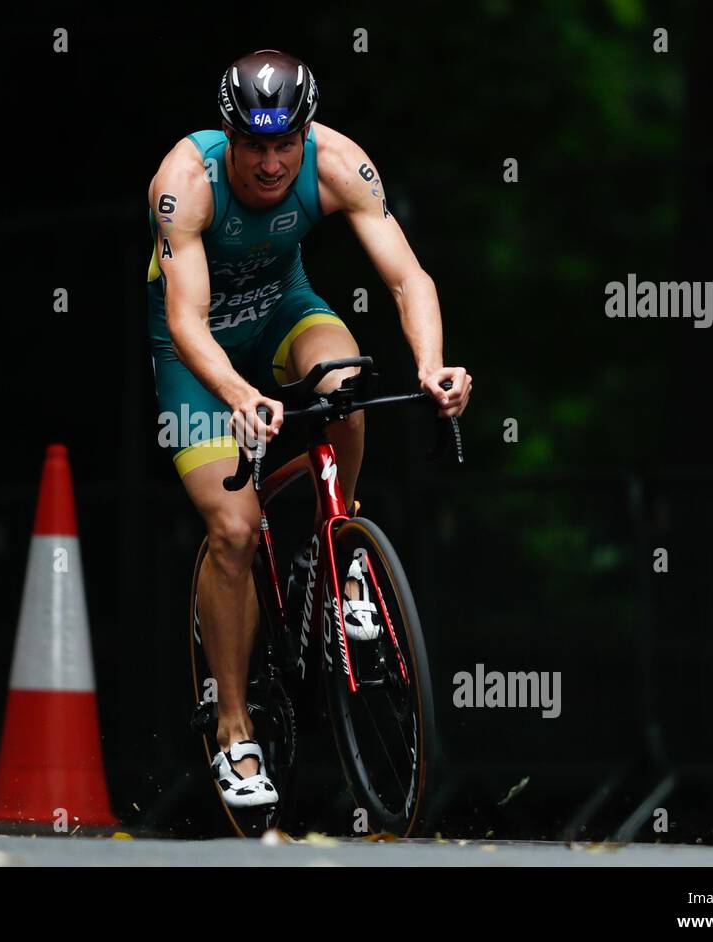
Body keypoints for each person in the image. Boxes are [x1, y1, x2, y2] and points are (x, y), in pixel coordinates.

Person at [146, 49, 471, 808]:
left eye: (283, 144)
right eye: (252, 146)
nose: (268, 164)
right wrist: (235, 391)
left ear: (305, 132)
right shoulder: (183, 184)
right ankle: (233, 725)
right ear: (228, 134)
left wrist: (434, 367)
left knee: (348, 380)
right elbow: (185, 319)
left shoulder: (341, 165)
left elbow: (407, 277)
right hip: (194, 351)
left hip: (284, 311)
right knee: (233, 528)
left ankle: (345, 550)